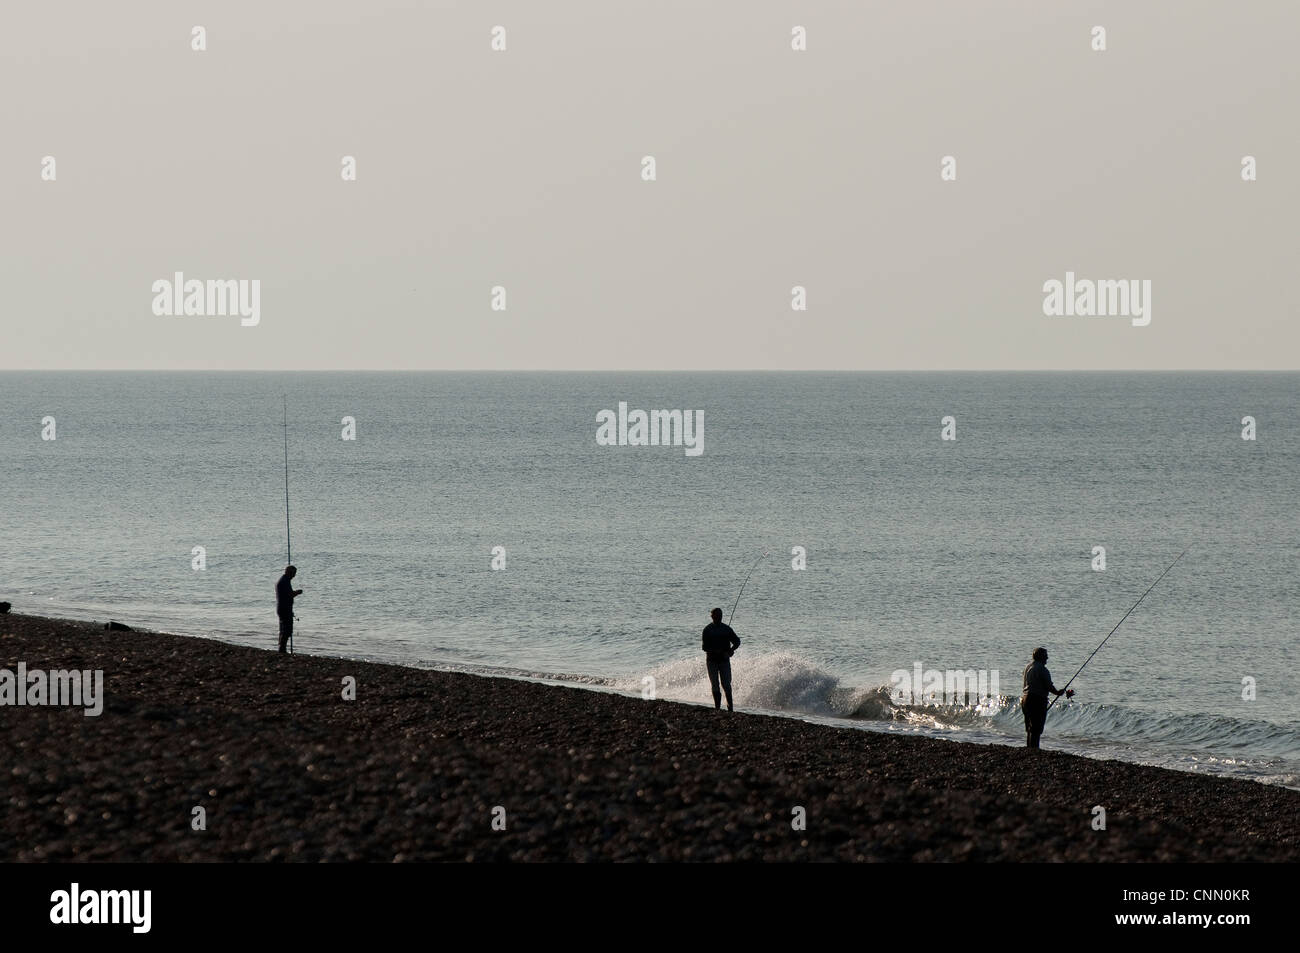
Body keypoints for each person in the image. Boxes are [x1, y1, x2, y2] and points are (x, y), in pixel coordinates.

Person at [1021, 646, 1072, 748]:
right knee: (1036, 728)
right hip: (1037, 700)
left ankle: (1029, 748)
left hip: (1025, 699)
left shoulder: (1027, 667)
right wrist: (1058, 692)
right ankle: (1035, 749)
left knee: (1030, 728)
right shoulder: (1042, 669)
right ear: (1041, 657)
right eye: (1045, 656)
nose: (1047, 659)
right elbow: (1048, 686)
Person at [701, 607, 741, 711]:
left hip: (724, 660)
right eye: (716, 616)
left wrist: (731, 650)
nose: (718, 618)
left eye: (720, 616)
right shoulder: (707, 630)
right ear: (712, 617)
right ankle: (717, 708)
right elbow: (704, 647)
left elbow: (737, 641)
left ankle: (730, 708)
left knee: (726, 685)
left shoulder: (726, 629)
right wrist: (715, 651)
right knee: (715, 685)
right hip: (711, 661)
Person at [276, 565, 302, 653]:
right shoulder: (285, 581)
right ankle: (282, 649)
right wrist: (297, 592)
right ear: (289, 573)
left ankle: (282, 648)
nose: (294, 576)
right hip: (284, 608)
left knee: (283, 629)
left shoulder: (284, 580)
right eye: (293, 573)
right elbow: (289, 594)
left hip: (283, 607)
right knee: (287, 630)